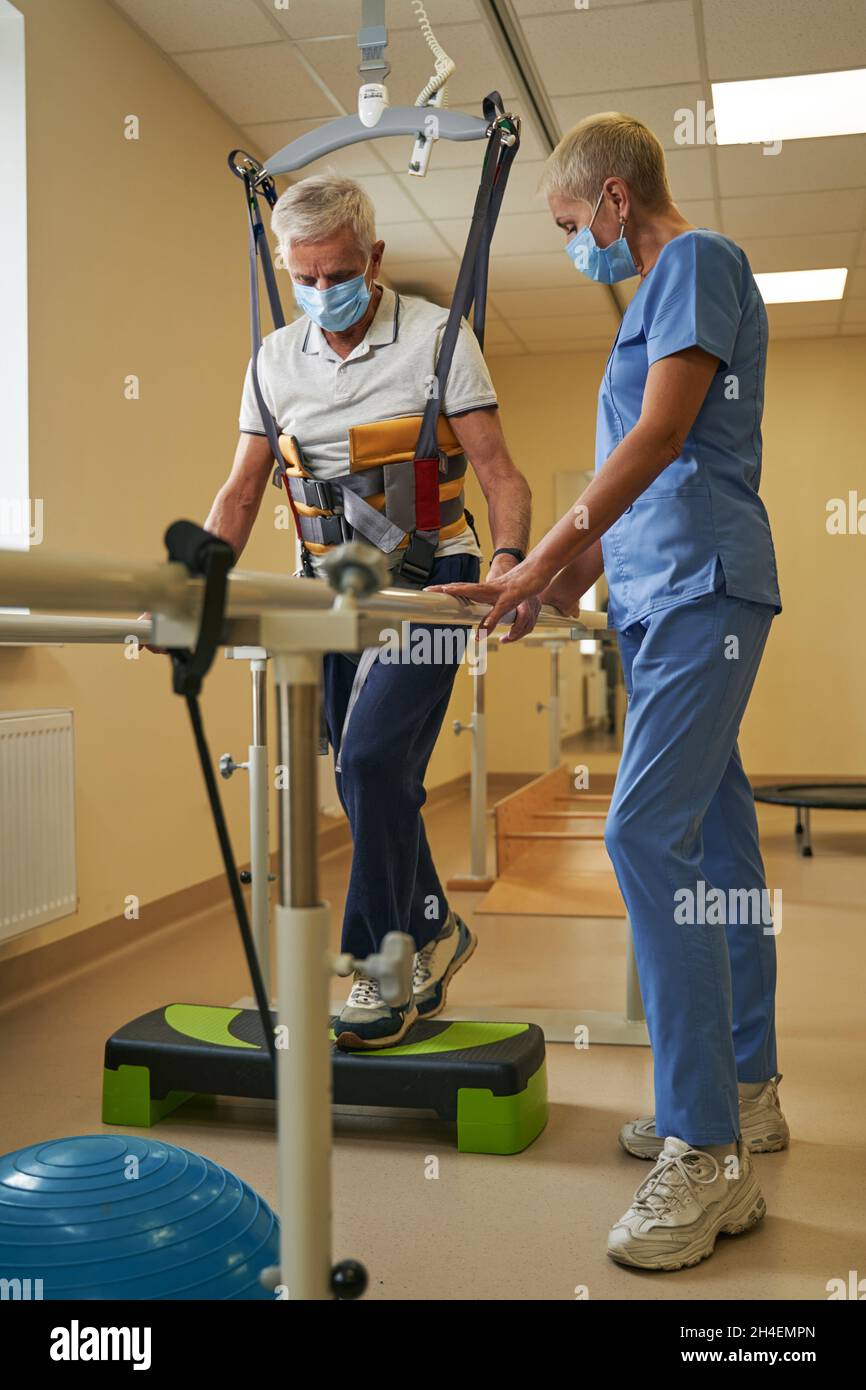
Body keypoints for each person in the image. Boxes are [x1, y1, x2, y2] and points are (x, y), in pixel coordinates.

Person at [430, 113, 787, 1271]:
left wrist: (543, 557)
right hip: (662, 594)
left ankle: (702, 1147)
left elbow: (665, 433)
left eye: (569, 222)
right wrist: (553, 581)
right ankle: (743, 1094)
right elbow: (632, 477)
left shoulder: (690, 261)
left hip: (700, 589)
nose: (571, 242)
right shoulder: (649, 299)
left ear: (615, 197)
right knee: (717, 842)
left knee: (639, 833)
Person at [202, 174, 537, 1049]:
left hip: (435, 583)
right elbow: (241, 493)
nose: (322, 293)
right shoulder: (274, 359)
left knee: (373, 759)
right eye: (304, 277)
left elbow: (500, 473)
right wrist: (192, 586)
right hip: (331, 590)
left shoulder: (437, 339)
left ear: (375, 258)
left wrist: (508, 563)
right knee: (366, 776)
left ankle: (376, 967)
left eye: (339, 272)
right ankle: (436, 926)